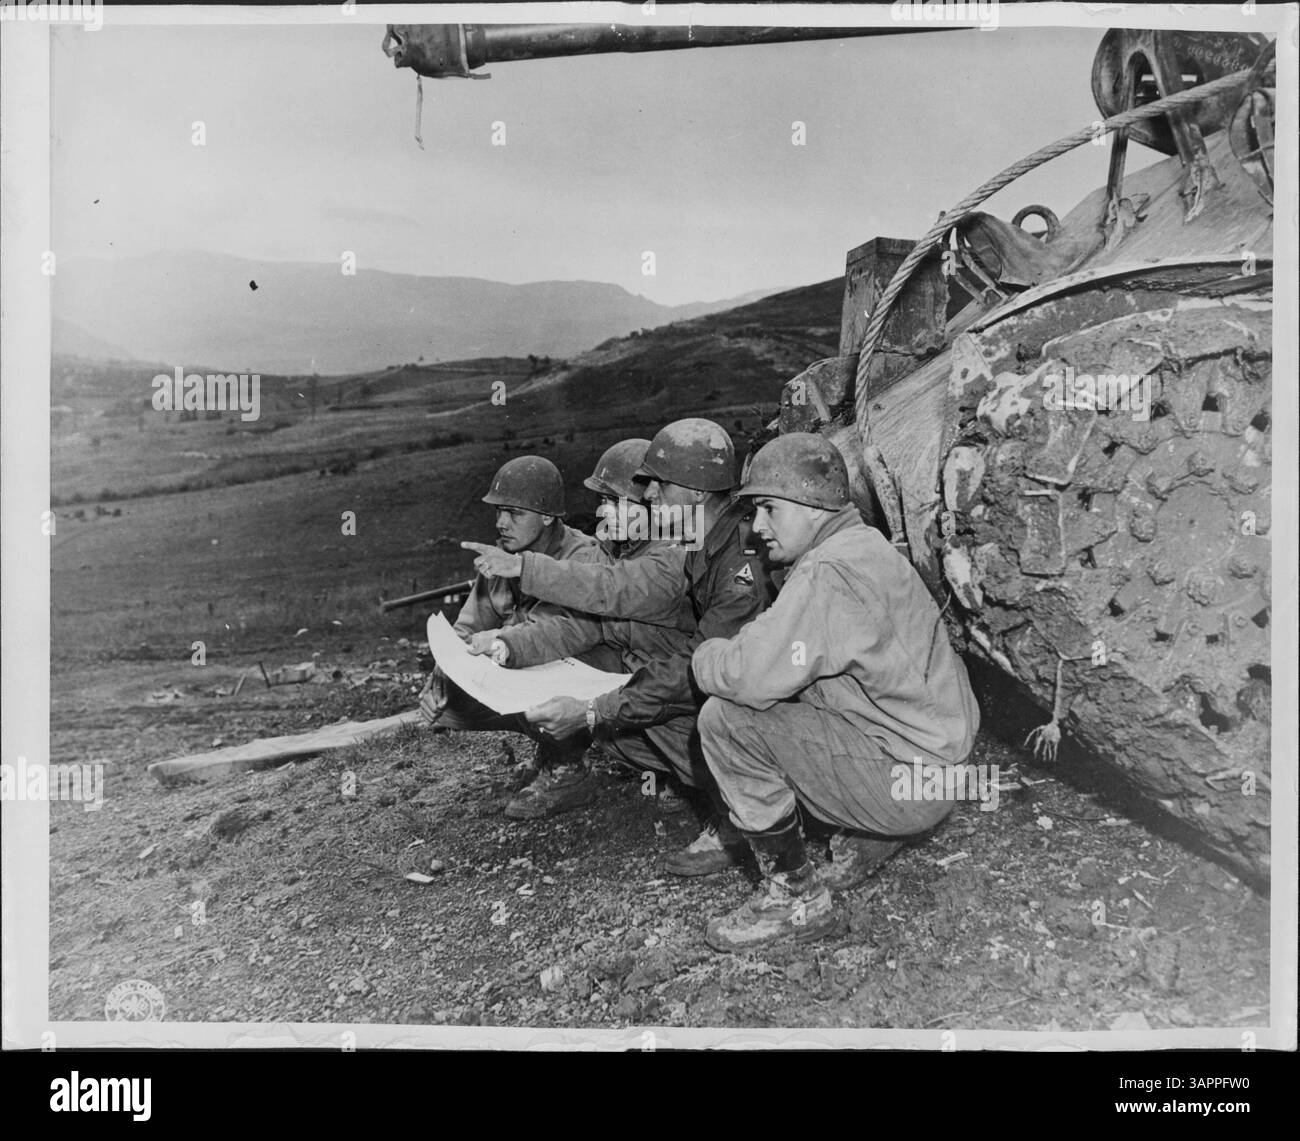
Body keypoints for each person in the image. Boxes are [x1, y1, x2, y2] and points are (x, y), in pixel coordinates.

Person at [689, 432, 980, 951]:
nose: (757, 526)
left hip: (913, 783)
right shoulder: (863, 544)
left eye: (769, 509)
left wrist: (704, 655)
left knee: (725, 720)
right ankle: (870, 837)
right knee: (796, 685)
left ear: (812, 505)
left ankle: (794, 899)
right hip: (937, 766)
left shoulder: (828, 570)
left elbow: (747, 678)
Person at [463, 418, 775, 875]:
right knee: (595, 694)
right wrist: (510, 646)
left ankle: (736, 812)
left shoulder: (692, 553)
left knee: (670, 708)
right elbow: (587, 626)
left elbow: (619, 594)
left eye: (655, 487)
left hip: (732, 692)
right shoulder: (675, 540)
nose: (647, 496)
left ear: (694, 493)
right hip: (691, 673)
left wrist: (598, 709)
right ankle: (697, 784)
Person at [477, 438, 708, 823]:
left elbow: (607, 589)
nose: (605, 512)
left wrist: (523, 569)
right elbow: (580, 628)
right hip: (648, 683)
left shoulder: (674, 556)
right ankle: (674, 771)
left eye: (617, 502)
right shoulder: (617, 548)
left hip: (681, 688)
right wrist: (507, 647)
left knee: (611, 716)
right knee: (552, 680)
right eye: (603, 502)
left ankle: (712, 793)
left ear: (654, 505)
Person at [418, 455, 616, 819]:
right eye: (498, 512)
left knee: (525, 666)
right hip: (532, 670)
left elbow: (554, 637)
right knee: (453, 700)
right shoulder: (501, 558)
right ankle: (552, 751)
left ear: (546, 516)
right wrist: (442, 674)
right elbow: (467, 628)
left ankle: (569, 767)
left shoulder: (584, 557)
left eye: (513, 513)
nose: (500, 523)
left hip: (594, 678)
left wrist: (497, 644)